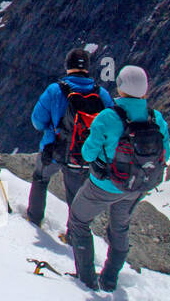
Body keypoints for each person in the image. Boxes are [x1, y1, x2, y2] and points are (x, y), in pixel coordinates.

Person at [67, 65, 170, 292]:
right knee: (120, 229)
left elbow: (88, 154)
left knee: (78, 220)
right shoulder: (156, 119)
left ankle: (86, 279)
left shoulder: (107, 117)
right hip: (136, 186)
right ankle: (109, 278)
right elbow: (166, 155)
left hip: (104, 186)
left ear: (120, 87)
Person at [27, 48, 113, 226]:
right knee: (76, 198)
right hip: (84, 154)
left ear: (67, 66)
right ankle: (73, 236)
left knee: (40, 178)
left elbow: (37, 121)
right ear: (87, 68)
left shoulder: (55, 90)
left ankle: (34, 219)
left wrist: (51, 129)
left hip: (54, 150)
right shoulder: (101, 94)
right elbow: (111, 125)